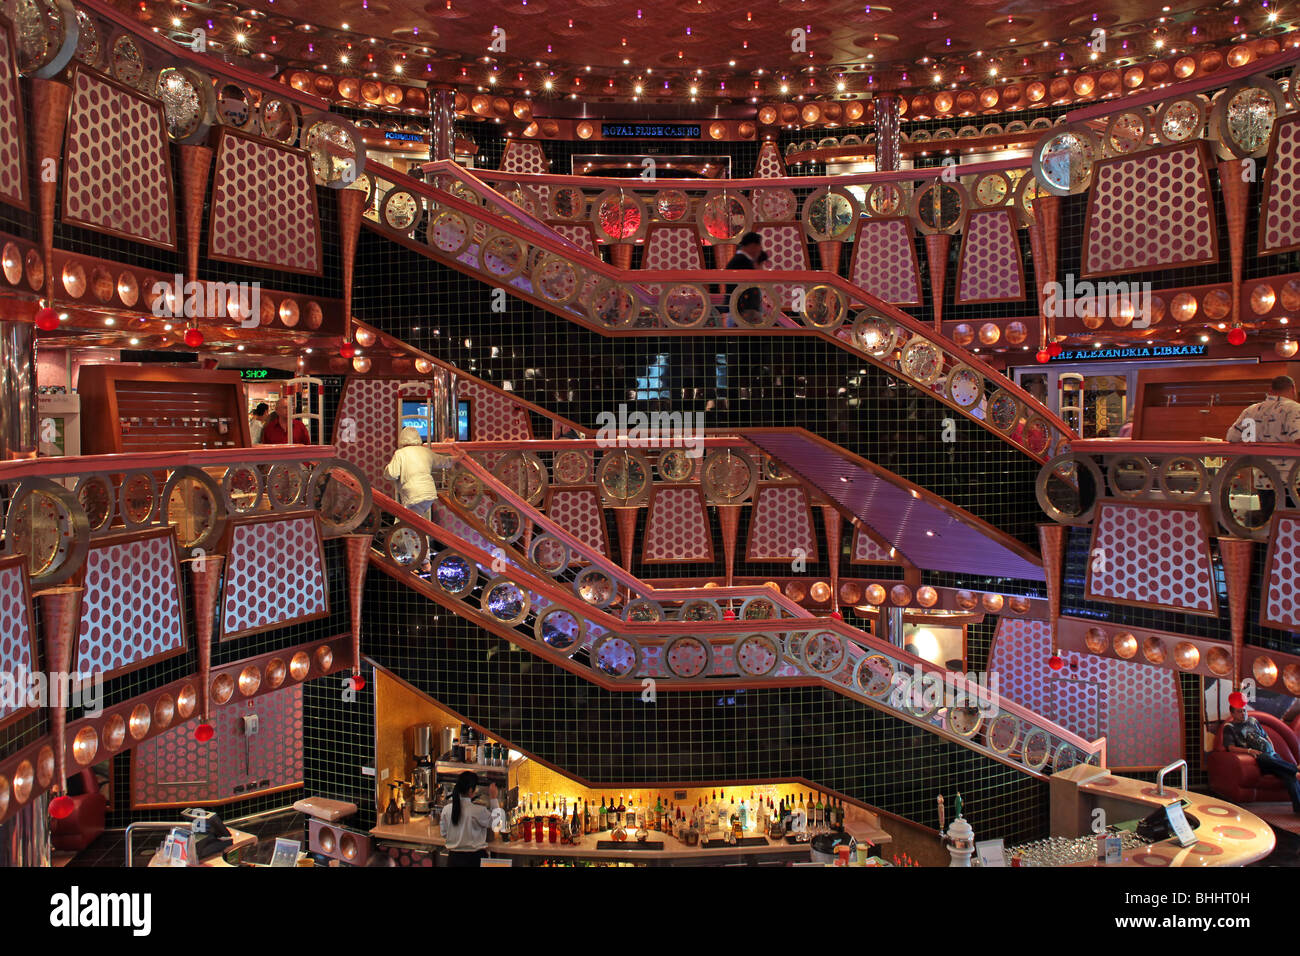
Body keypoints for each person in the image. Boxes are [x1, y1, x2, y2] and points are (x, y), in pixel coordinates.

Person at [1225, 375, 1300, 514]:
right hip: (1291, 481)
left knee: (1269, 523)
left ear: (1270, 390)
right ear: (1293, 389)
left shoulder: (1252, 410)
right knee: (1292, 522)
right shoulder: (1294, 409)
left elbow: (1232, 437)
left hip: (1263, 480)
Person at [1222, 704, 1300, 814]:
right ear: (1232, 713)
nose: (1243, 713)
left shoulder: (1253, 721)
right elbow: (1230, 748)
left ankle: (1298, 809)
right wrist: (1249, 751)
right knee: (1264, 758)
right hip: (1257, 759)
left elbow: (1266, 736)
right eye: (1239, 711)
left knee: (1289, 776)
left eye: (1244, 711)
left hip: (1272, 756)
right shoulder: (1229, 727)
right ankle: (1295, 769)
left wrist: (1272, 749)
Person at [384, 426, 452, 522]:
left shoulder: (400, 453)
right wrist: (457, 457)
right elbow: (444, 461)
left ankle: (407, 536)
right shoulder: (426, 452)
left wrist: (386, 471)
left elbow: (392, 474)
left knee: (406, 523)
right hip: (430, 492)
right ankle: (420, 535)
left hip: (413, 494)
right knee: (416, 520)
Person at [438, 771, 499, 866]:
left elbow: (444, 833)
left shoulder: (446, 809)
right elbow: (496, 823)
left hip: (453, 860)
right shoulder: (478, 810)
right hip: (474, 859)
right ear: (471, 790)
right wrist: (493, 798)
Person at [724, 231, 764, 326]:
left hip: (739, 310)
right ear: (752, 245)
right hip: (744, 311)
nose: (760, 249)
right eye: (759, 245)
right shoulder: (742, 261)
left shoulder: (739, 260)